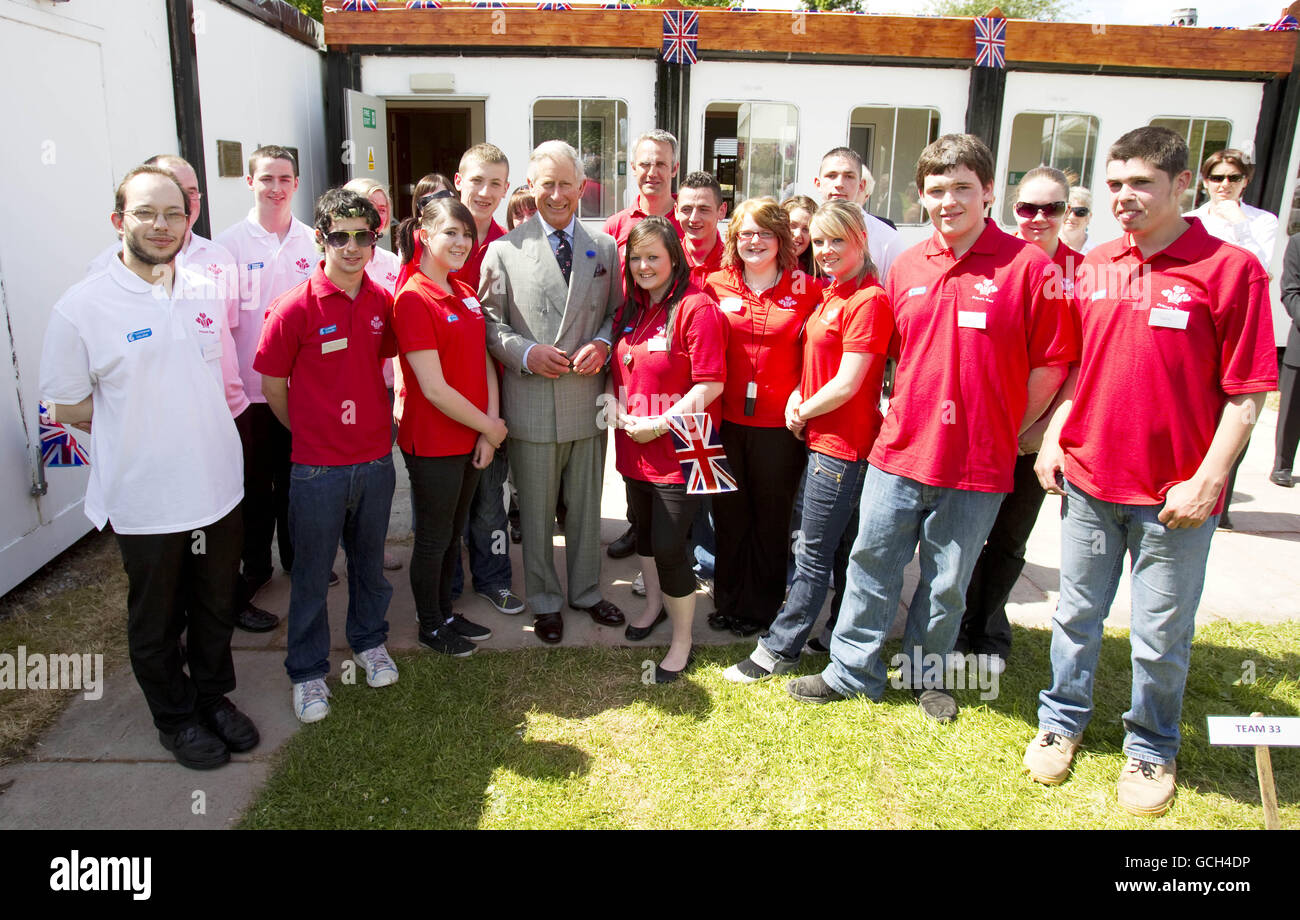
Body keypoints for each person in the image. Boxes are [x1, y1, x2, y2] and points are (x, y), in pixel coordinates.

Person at [1026, 126, 1277, 816]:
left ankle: (1152, 744)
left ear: (1181, 185)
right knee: (1076, 614)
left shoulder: (1232, 271)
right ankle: (1062, 721)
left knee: (1161, 631)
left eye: (1139, 183)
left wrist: (1209, 480)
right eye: (1113, 185)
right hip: (1088, 479)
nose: (1123, 198)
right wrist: (1054, 437)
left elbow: (1248, 393)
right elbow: (1081, 365)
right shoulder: (1099, 264)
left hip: (1173, 495)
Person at [786, 134, 1077, 722]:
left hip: (978, 461)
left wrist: (1009, 427)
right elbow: (883, 355)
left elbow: (1052, 365)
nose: (948, 201)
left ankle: (925, 673)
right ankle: (850, 671)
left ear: (989, 191)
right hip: (897, 451)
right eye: (937, 190)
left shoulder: (1030, 268)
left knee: (947, 579)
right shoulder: (910, 265)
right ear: (921, 196)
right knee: (871, 559)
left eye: (962, 188)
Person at [41, 165, 256, 768]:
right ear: (119, 221)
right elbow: (66, 405)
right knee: (156, 617)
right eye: (146, 213)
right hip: (145, 498)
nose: (162, 226)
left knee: (216, 605)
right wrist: (138, 428)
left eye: (174, 213)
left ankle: (213, 699)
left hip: (218, 486)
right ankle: (176, 717)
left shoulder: (203, 287)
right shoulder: (82, 307)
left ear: (189, 220)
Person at [86, 155, 273, 632]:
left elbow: (226, 332)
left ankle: (231, 597)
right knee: (173, 537)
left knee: (232, 511)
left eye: (189, 197)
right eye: (162, 203)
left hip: (227, 408)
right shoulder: (101, 279)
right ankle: (180, 622)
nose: (181, 207)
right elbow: (77, 399)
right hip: (161, 434)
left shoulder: (215, 259)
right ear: (125, 218)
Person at [722, 201, 891, 683]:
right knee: (836, 550)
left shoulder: (868, 300)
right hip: (820, 436)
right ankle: (835, 633)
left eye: (838, 239)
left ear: (862, 239)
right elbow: (817, 364)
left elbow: (850, 381)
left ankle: (779, 648)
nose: (828, 250)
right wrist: (802, 393)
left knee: (812, 553)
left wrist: (800, 406)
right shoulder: (834, 293)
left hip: (840, 443)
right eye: (820, 241)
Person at [254, 188, 400, 723]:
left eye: (364, 235)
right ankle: (309, 672)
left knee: (369, 566)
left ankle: (368, 642)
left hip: (375, 462)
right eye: (340, 235)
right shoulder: (294, 306)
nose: (353, 245)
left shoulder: (382, 300)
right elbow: (273, 386)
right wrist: (309, 432)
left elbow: (380, 365)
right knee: (313, 575)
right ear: (321, 238)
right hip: (316, 469)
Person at [479, 140, 626, 644]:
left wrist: (604, 343)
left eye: (567, 183)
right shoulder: (504, 249)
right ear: (531, 188)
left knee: (586, 507)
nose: (557, 194)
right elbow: (490, 322)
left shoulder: (604, 247)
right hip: (532, 399)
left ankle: (586, 591)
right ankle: (544, 600)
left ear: (582, 188)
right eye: (548, 184)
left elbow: (616, 312)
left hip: (586, 398)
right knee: (537, 512)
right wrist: (524, 353)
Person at [957, 166, 1081, 670]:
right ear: (1011, 207)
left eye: (1051, 209)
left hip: (1038, 436)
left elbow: (1075, 364)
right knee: (963, 540)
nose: (1037, 218)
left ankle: (987, 631)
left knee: (1010, 537)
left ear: (1067, 212)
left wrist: (1042, 433)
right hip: (983, 434)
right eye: (1027, 207)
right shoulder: (998, 263)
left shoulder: (1085, 273)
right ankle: (953, 629)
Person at [612, 217, 727, 679]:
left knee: (670, 547)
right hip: (634, 442)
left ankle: (683, 641)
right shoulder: (633, 308)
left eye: (653, 257)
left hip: (685, 446)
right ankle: (654, 606)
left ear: (674, 257)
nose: (643, 266)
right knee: (642, 532)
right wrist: (615, 408)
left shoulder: (697, 307)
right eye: (636, 258)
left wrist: (659, 423)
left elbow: (711, 384)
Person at [393, 197, 503, 656]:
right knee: (435, 539)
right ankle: (431, 624)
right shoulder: (413, 298)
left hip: (472, 436)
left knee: (452, 535)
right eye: (449, 233)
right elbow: (433, 388)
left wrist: (489, 427)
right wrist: (489, 427)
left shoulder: (465, 292)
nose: (461, 242)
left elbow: (484, 362)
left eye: (465, 234)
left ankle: (445, 612)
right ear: (424, 235)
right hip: (434, 440)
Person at [703, 198, 818, 640]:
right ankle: (727, 602)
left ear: (781, 239)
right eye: (745, 233)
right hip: (724, 423)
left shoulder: (807, 288)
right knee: (728, 516)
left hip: (780, 429)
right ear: (734, 239)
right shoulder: (714, 285)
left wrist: (802, 392)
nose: (754, 241)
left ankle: (762, 607)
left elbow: (820, 351)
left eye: (764, 233)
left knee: (771, 519)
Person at [216, 146, 321, 607]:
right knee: (254, 488)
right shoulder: (227, 247)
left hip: (303, 393)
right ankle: (255, 568)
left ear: (296, 183)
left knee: (298, 485)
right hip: (249, 395)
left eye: (285, 179)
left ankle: (299, 561)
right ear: (250, 182)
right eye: (267, 179)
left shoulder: (314, 243)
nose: (276, 188)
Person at [444, 144, 525, 617]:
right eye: (477, 180)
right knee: (443, 505)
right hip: (441, 398)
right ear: (459, 180)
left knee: (490, 500)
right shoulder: (432, 239)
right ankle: (445, 585)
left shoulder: (508, 245)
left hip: (493, 396)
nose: (485, 191)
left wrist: (492, 417)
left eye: (496, 183)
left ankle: (493, 579)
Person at [1187, 148, 1280, 528]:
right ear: (1204, 182)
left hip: (1240, 325)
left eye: (1233, 178)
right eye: (1217, 177)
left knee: (1237, 411)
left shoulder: (1262, 221)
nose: (1224, 185)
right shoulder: (1189, 221)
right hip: (1196, 326)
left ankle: (1218, 499)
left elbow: (1261, 268)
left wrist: (1238, 224)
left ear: (1245, 182)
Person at [813, 147, 905, 280]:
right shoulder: (804, 233)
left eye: (849, 176)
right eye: (831, 176)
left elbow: (895, 294)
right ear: (818, 184)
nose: (839, 184)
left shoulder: (887, 239)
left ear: (861, 185)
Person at [603, 129, 684, 251]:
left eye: (660, 164)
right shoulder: (615, 227)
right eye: (645, 164)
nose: (652, 173)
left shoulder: (689, 223)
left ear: (674, 169)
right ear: (634, 168)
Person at [1276, 234, 1300, 488]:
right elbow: (1291, 293)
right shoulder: (1297, 243)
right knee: (1292, 412)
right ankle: (1282, 465)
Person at [677, 171, 727, 289]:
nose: (694, 218)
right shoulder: (667, 263)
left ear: (721, 211)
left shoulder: (737, 265)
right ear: (676, 211)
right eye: (686, 209)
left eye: (703, 209)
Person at [781, 195, 818, 275]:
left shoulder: (820, 281)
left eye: (806, 229)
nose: (798, 234)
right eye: (792, 225)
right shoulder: (757, 267)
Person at [1059, 186, 1094, 253]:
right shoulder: (1046, 247)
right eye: (1067, 210)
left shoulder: (1097, 253)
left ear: (1089, 217)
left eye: (1080, 211)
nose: (1072, 216)